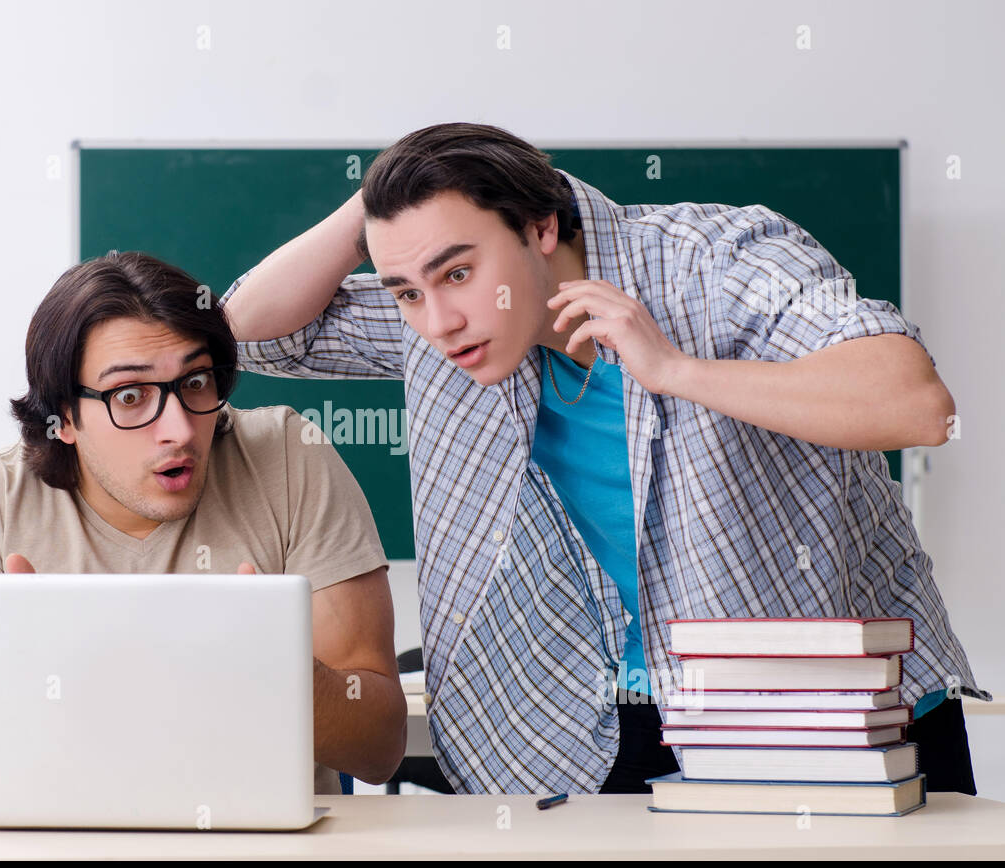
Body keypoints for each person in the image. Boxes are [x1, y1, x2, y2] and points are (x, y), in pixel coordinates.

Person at [221, 122, 990, 795]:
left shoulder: (717, 261)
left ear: (542, 227)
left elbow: (918, 405)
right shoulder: (451, 329)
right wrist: (384, 198)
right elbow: (250, 332)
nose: (439, 321)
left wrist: (675, 371)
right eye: (404, 291)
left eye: (458, 271)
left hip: (835, 712)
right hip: (605, 726)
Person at [0, 251, 406, 795]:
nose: (180, 430)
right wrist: (35, 669)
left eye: (195, 382)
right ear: (65, 417)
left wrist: (275, 668)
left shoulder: (289, 456)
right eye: (130, 395)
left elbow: (379, 747)